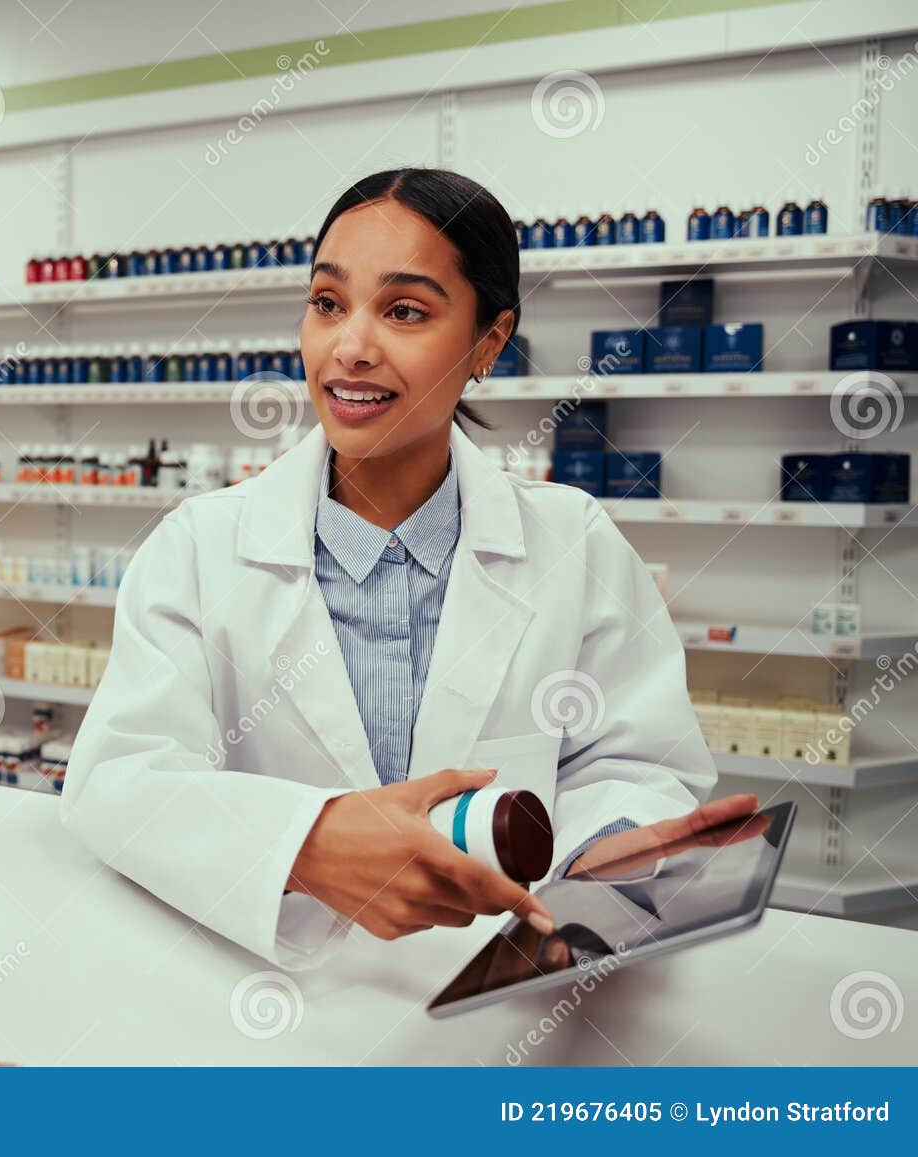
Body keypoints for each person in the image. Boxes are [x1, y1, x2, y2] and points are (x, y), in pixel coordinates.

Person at [62, 168, 755, 970]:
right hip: (268, 998)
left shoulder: (577, 543)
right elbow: (121, 780)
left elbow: (634, 761)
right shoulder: (197, 549)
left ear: (488, 343)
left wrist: (606, 851)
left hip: (506, 999)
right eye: (327, 303)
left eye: (404, 311)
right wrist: (305, 842)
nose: (350, 348)